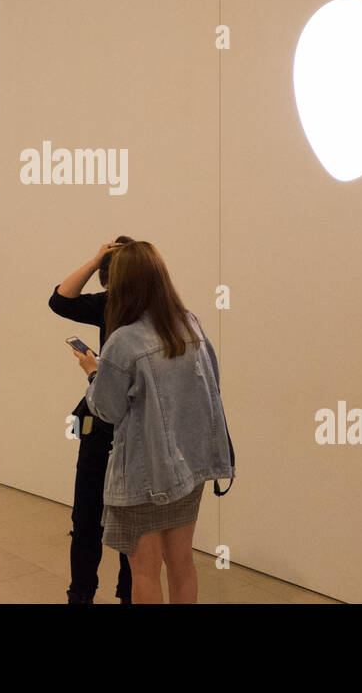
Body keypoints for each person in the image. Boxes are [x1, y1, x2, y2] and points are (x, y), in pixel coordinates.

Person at [75, 241, 234, 604]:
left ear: (120, 285)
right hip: (189, 467)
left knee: (144, 570)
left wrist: (92, 372)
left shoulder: (124, 341)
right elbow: (212, 386)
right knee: (182, 562)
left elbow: (106, 410)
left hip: (143, 473)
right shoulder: (188, 322)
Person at [48, 237, 134, 604]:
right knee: (88, 518)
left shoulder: (139, 313)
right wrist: (97, 257)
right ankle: (84, 593)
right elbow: (60, 300)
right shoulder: (110, 305)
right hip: (101, 421)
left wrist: (94, 371)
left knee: (118, 521)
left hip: (126, 425)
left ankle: (112, 593)